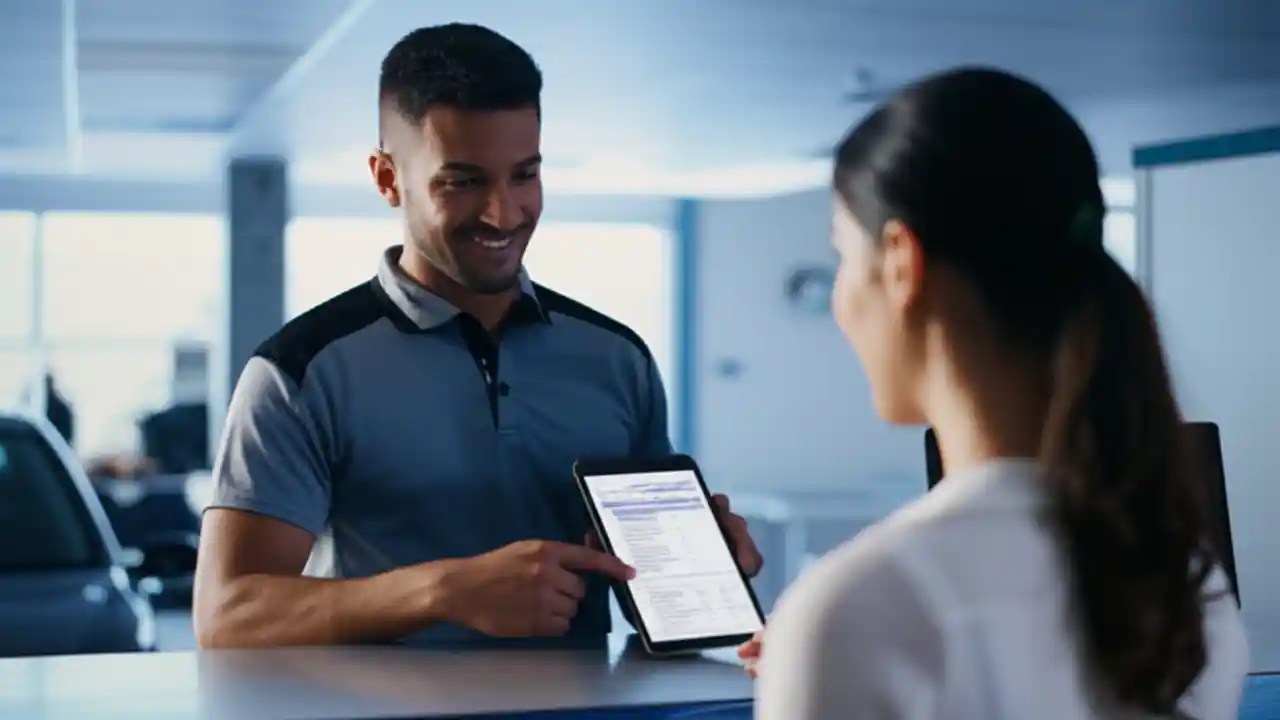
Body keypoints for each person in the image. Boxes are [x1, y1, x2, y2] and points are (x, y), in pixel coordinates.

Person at [193, 23, 762, 649]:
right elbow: (227, 615)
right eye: (462, 182)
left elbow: (643, 589)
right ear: (387, 179)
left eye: (524, 175)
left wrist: (695, 563)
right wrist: (444, 591)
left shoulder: (617, 358)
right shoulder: (300, 372)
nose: (503, 213)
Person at [742, 68, 1248, 718]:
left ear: (900, 262)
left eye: (843, 255)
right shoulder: (1189, 584)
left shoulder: (870, 603)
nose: (842, 297)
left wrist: (822, 653)